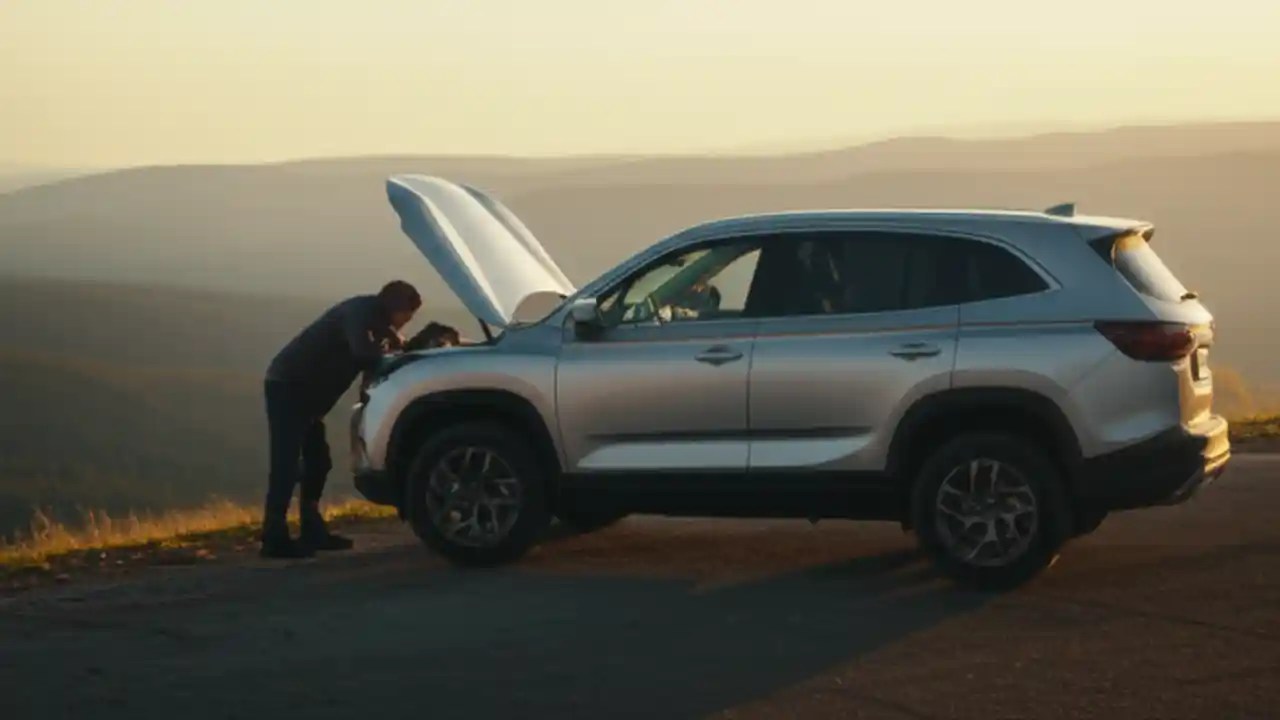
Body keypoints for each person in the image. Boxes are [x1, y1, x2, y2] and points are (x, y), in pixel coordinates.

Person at [260, 280, 423, 558]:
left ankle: (311, 528)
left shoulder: (374, 315)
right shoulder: (359, 314)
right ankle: (274, 536)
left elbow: (394, 342)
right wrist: (395, 358)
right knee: (286, 463)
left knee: (318, 462)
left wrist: (405, 348)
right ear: (395, 307)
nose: (406, 322)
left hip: (306, 394)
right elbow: (363, 353)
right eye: (407, 315)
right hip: (289, 386)